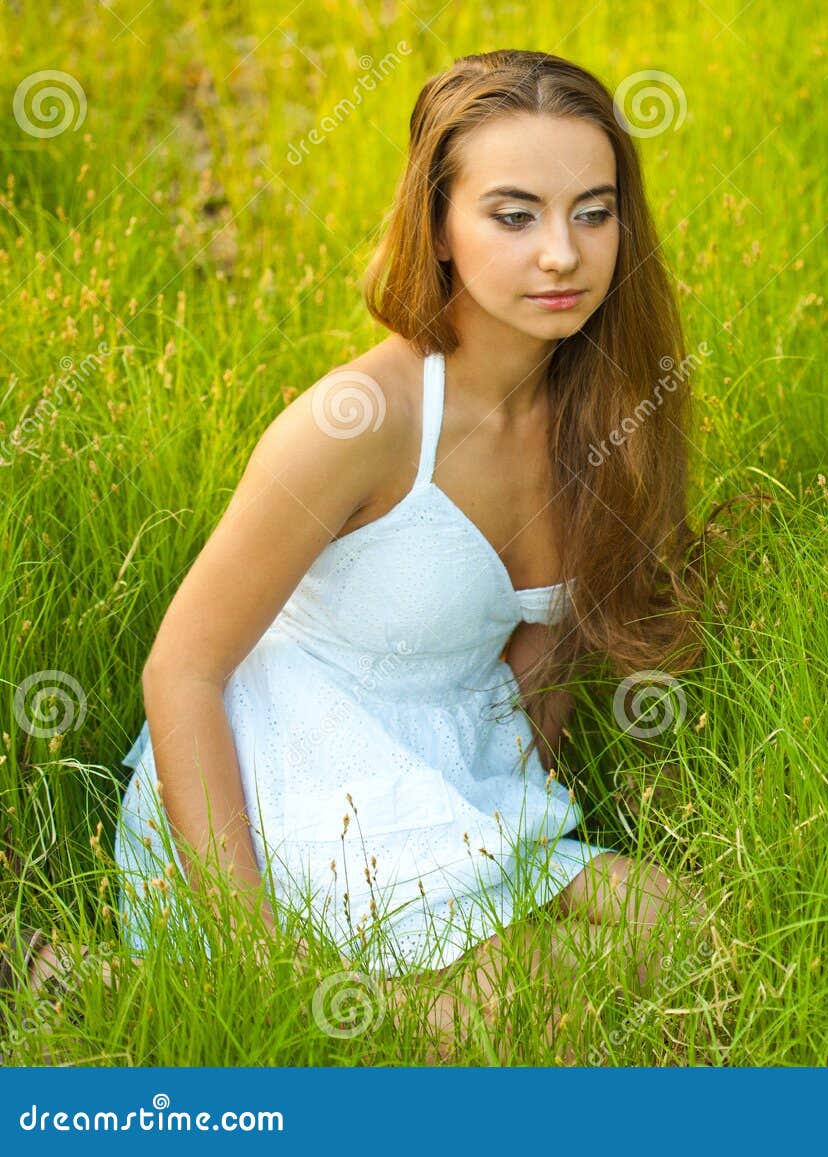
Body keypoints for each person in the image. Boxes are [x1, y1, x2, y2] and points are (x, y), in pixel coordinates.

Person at [4, 49, 716, 1062]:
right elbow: (183, 669)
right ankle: (175, 988)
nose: (562, 253)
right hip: (285, 776)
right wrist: (248, 938)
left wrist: (512, 834)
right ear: (438, 224)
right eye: (514, 216)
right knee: (536, 1007)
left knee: (681, 928)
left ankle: (219, 993)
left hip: (442, 773)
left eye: (592, 213)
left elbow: (547, 663)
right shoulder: (362, 419)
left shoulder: (604, 415)